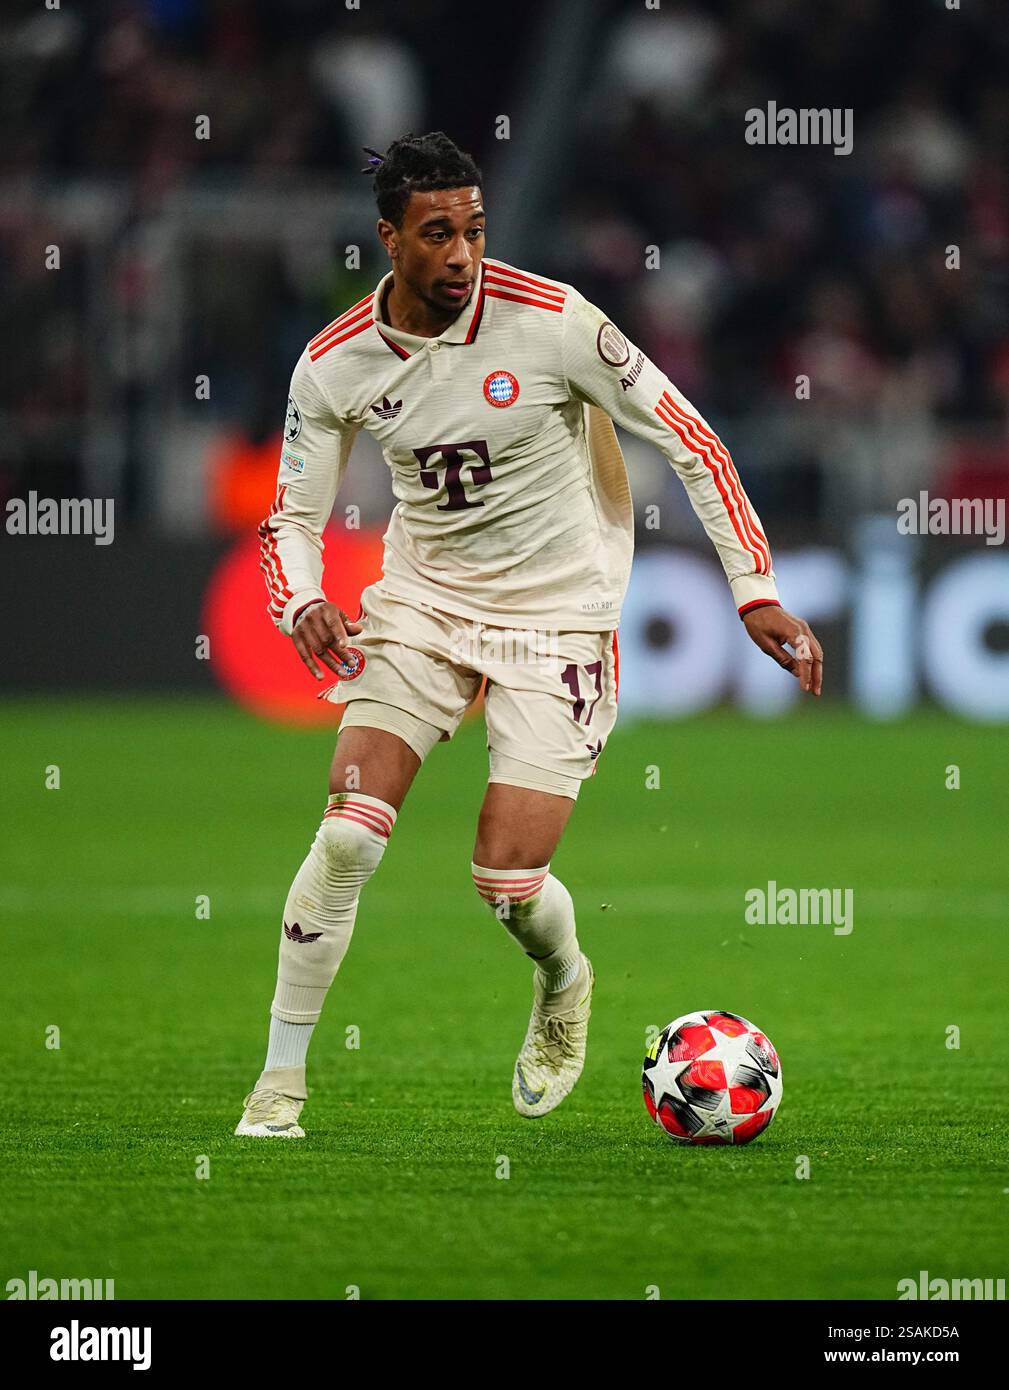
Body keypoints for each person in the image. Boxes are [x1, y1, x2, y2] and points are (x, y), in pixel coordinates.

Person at [236, 131, 822, 1138]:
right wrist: (301, 600)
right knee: (345, 835)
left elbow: (688, 438)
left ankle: (564, 982)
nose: (461, 253)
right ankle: (279, 1083)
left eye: (473, 228)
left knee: (505, 881)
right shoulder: (334, 364)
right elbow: (290, 515)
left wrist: (753, 586)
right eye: (436, 234)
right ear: (389, 240)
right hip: (423, 604)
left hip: (560, 616)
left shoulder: (552, 321)